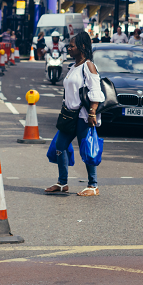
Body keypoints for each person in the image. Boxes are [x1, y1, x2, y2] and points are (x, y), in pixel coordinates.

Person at [45, 30, 105, 197]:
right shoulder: (73, 66)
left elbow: (95, 90)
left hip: (83, 116)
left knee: (87, 149)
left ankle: (93, 185)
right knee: (59, 146)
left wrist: (92, 112)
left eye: (71, 46)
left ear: (82, 47)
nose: (68, 48)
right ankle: (62, 183)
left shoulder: (88, 66)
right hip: (69, 115)